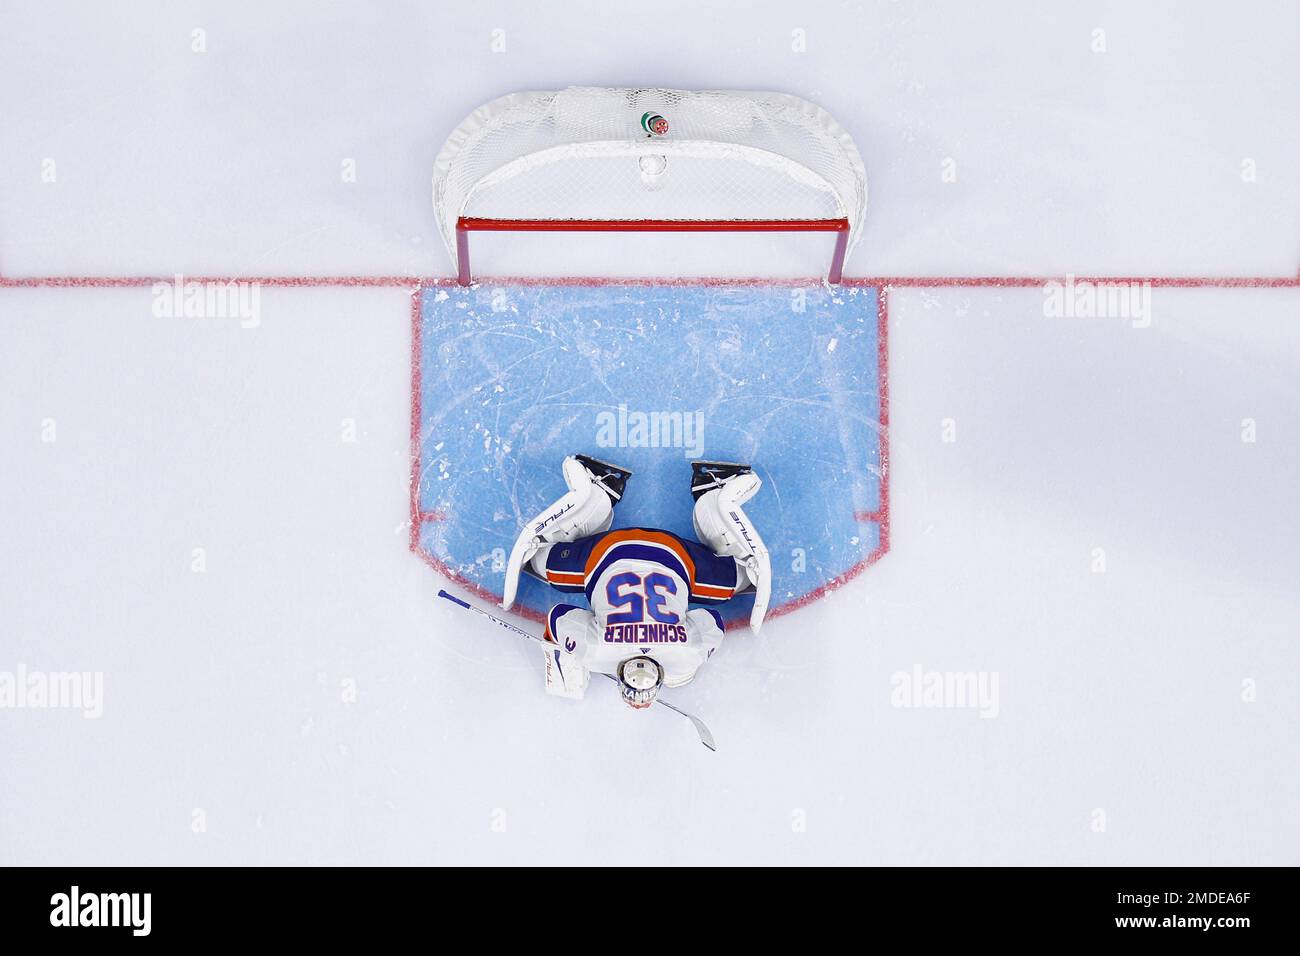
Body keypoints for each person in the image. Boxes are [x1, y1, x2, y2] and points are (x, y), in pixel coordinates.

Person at [500, 455, 770, 709]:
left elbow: (712, 620)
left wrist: (682, 663)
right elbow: (558, 615)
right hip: (608, 551)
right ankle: (595, 492)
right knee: (538, 562)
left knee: (741, 581)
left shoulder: (689, 653)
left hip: (674, 554)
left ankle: (715, 494)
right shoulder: (595, 652)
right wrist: (571, 660)